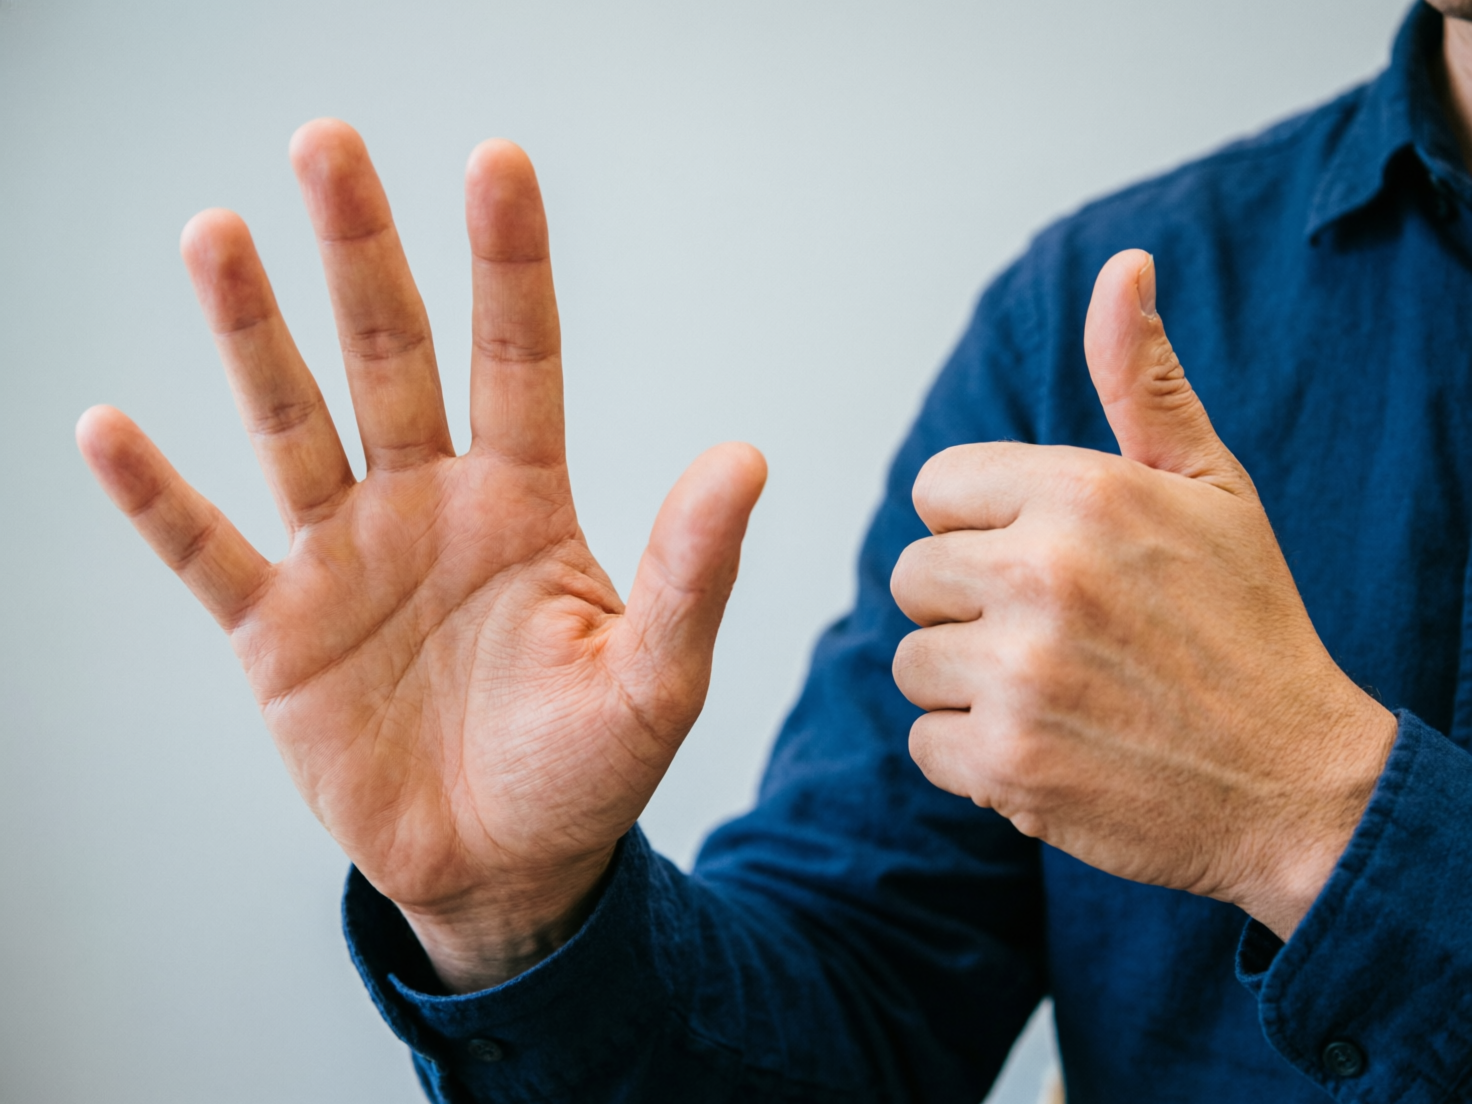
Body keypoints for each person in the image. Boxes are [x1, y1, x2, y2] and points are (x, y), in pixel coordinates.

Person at [75, 1, 1472, 1100]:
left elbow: (1322, 816)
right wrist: (526, 921)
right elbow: (855, 1018)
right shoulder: (1106, 315)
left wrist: (1322, 814)